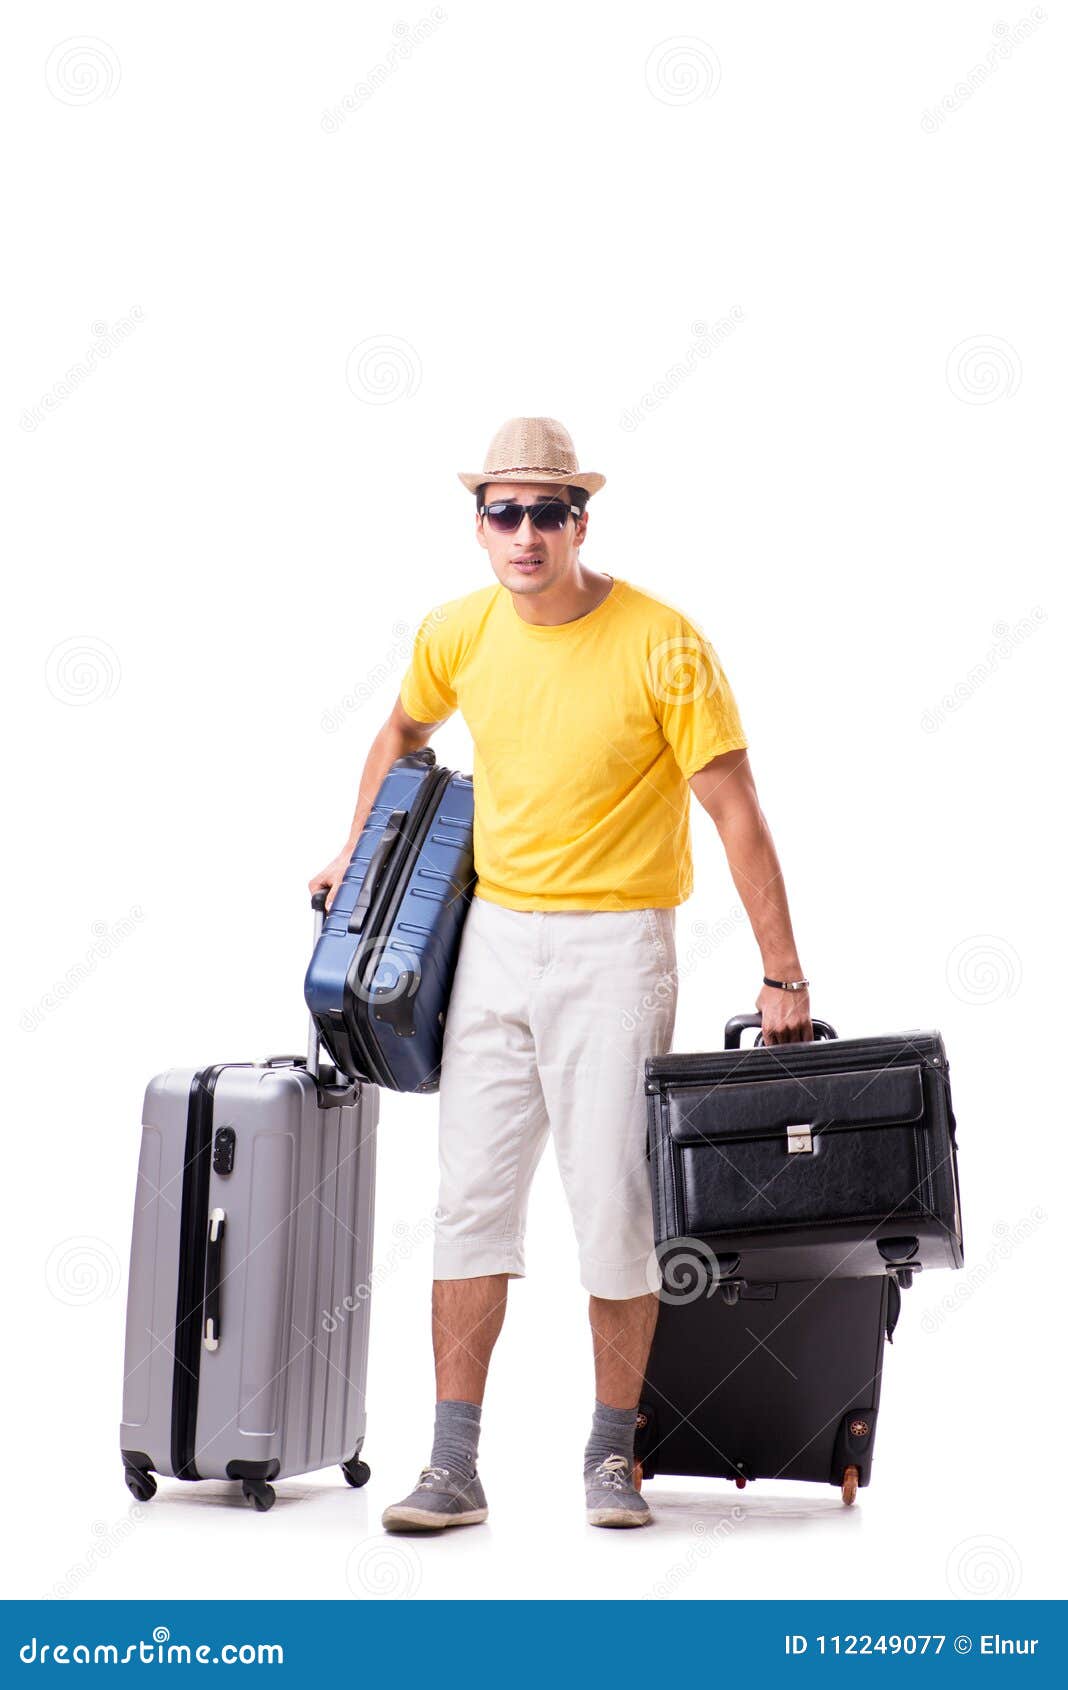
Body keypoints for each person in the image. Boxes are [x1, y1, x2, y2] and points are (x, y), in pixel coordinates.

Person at [309, 416, 812, 1532]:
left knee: (616, 1210)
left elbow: (737, 812)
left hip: (616, 947)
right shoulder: (458, 630)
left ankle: (610, 1457)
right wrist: (355, 847)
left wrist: (783, 973)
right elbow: (399, 728)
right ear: (479, 524)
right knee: (470, 1203)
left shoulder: (663, 643)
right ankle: (451, 1466)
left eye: (547, 511)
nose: (526, 532)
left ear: (581, 520)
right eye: (505, 512)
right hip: (489, 938)